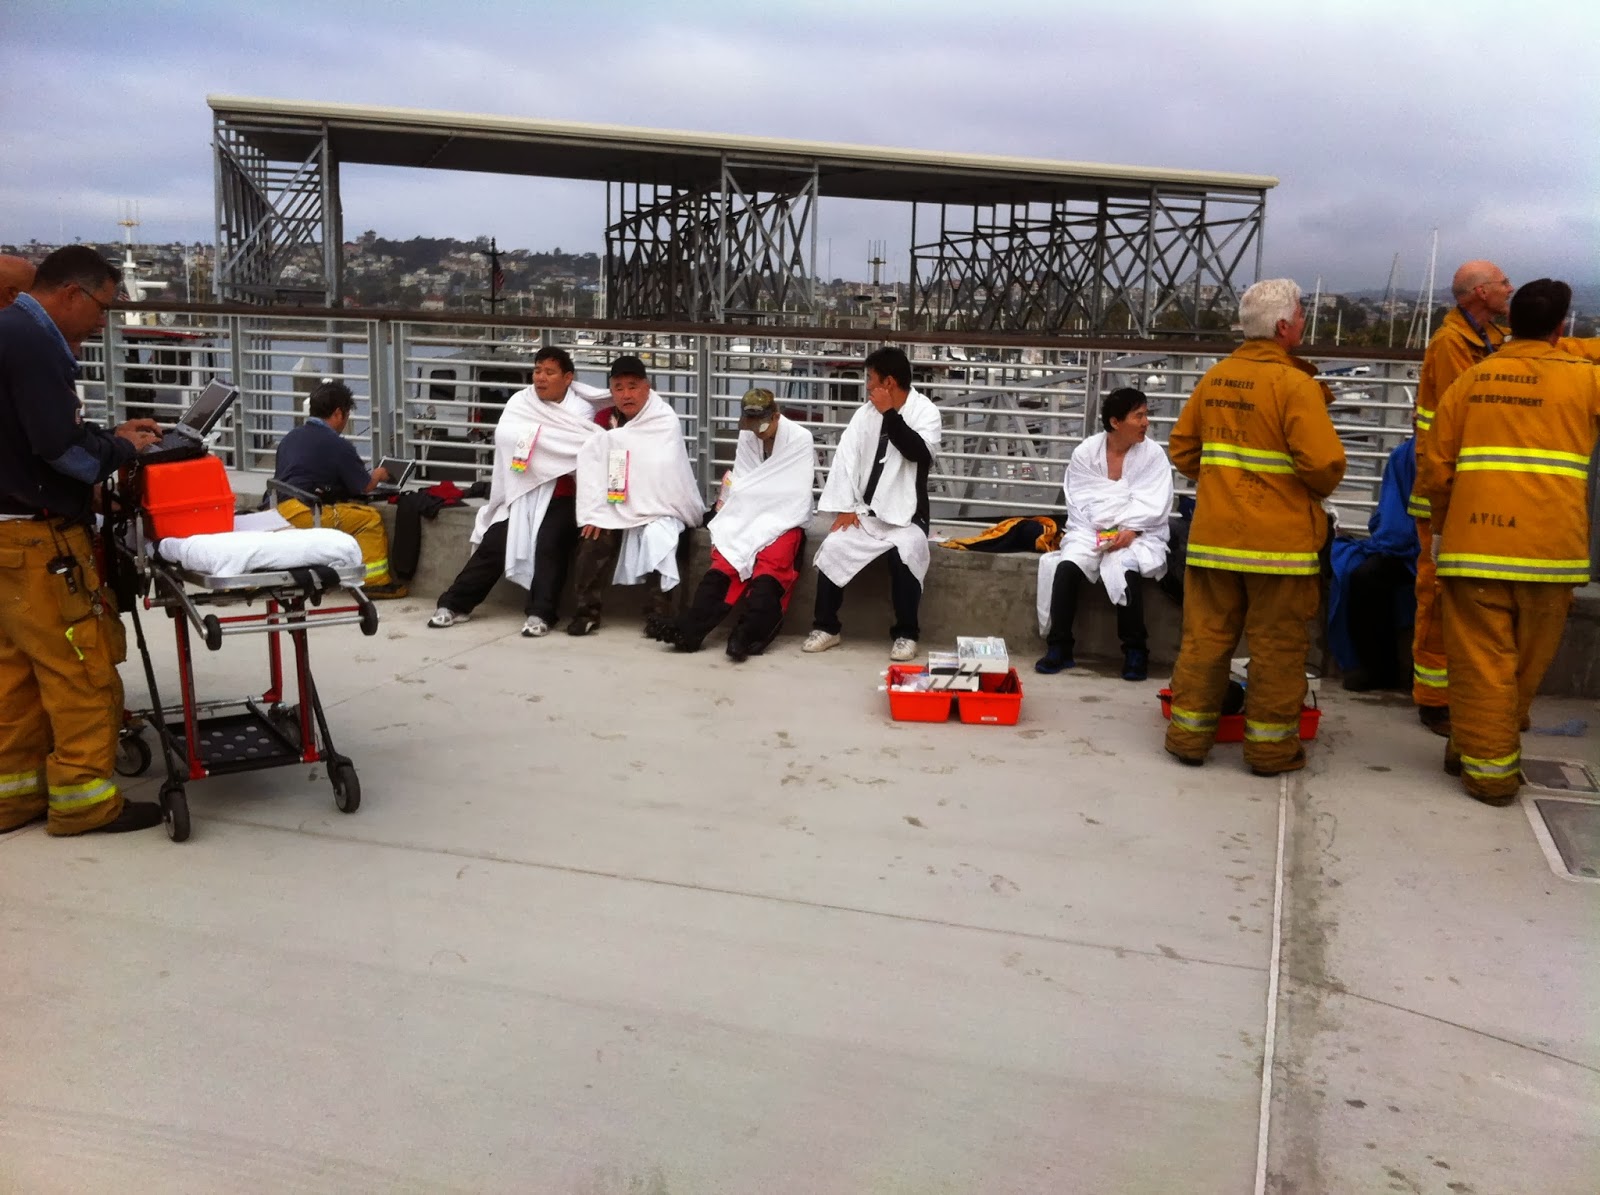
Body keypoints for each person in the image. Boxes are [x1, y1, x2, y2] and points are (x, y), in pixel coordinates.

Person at [0, 245, 166, 835]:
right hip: (40, 542)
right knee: (81, 669)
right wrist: (124, 449)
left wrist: (108, 434)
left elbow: (34, 432)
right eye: (103, 306)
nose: (104, 321)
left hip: (6, 539)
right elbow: (63, 451)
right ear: (72, 293)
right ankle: (84, 803)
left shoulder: (8, 332)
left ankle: (13, 798)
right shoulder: (35, 344)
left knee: (15, 677)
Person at [1416, 279, 1600, 806]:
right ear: (1561, 327)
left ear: (1509, 323)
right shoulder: (1584, 381)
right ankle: (1490, 772)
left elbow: (1435, 467)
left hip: (1475, 548)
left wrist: (1443, 530)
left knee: (1481, 665)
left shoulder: (1472, 380)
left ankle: (1474, 750)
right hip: (1552, 555)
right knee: (1523, 667)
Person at [1163, 278, 1347, 776]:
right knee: (1277, 649)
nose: (1305, 322)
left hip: (1214, 537)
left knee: (1204, 639)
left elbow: (1183, 449)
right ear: (1284, 327)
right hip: (1279, 548)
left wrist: (1225, 483)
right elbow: (1325, 466)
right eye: (1303, 315)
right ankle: (1269, 751)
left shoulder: (1217, 375)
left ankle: (1187, 738)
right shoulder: (1295, 385)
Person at [428, 347, 606, 635]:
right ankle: (454, 603)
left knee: (550, 541)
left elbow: (588, 448)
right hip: (522, 494)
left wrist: (541, 442)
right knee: (496, 539)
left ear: (568, 377)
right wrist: (544, 443)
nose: (541, 378)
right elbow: (506, 436)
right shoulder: (520, 403)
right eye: (537, 371)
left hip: (563, 497)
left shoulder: (581, 411)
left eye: (549, 372)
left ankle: (542, 613)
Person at [1408, 260, 1512, 736]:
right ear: (1479, 292)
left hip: (1469, 486)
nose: (1509, 289)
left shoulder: (1492, 335)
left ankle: (1454, 692)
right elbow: (1462, 413)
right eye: (1503, 283)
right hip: (1443, 490)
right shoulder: (1452, 344)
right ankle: (1433, 699)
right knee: (1436, 593)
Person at [802, 346, 942, 662]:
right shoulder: (864, 414)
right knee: (834, 547)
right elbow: (846, 459)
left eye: (871, 379)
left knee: (904, 555)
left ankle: (907, 634)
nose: (867, 386)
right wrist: (846, 506)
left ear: (888, 383)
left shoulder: (925, 412)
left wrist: (890, 415)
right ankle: (826, 627)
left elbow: (919, 453)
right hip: (867, 512)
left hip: (909, 516)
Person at [660, 388, 817, 661]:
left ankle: (748, 635)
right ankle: (691, 628)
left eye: (762, 425)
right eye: (751, 425)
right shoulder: (747, 435)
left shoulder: (801, 439)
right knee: (725, 565)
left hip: (785, 516)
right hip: (749, 512)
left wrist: (761, 500)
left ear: (777, 416)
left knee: (771, 571)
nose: (757, 432)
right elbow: (743, 482)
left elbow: (795, 491)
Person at [1034, 387, 1172, 682]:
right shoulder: (1086, 452)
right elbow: (1081, 501)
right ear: (1115, 422)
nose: (1146, 422)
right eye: (1139, 416)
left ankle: (1135, 651)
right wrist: (1107, 531)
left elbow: (1154, 503)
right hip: (1090, 529)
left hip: (1140, 531)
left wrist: (1130, 531)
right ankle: (1059, 647)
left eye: (1146, 414)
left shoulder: (1153, 455)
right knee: (1068, 565)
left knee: (1124, 567)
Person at [568, 356, 705, 636]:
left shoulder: (664, 420)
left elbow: (662, 472)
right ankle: (586, 612)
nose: (626, 394)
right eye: (619, 388)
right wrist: (596, 511)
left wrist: (642, 505)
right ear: (611, 391)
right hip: (614, 504)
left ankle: (659, 615)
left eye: (633, 386)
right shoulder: (605, 421)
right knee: (592, 539)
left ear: (647, 387)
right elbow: (593, 469)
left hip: (660, 505)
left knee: (661, 538)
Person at [272, 380, 407, 598]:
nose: (346, 421)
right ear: (338, 413)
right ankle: (375, 581)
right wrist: (379, 474)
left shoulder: (291, 437)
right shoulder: (338, 444)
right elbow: (363, 486)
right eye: (346, 415)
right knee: (370, 519)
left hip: (278, 510)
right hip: (304, 514)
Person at [1326, 431, 1419, 691]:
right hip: (1414, 547)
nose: (1415, 417)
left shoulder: (1416, 454)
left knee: (1364, 575)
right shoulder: (1405, 455)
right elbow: (1393, 516)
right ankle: (1377, 670)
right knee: (1364, 576)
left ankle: (1384, 672)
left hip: (1439, 549)